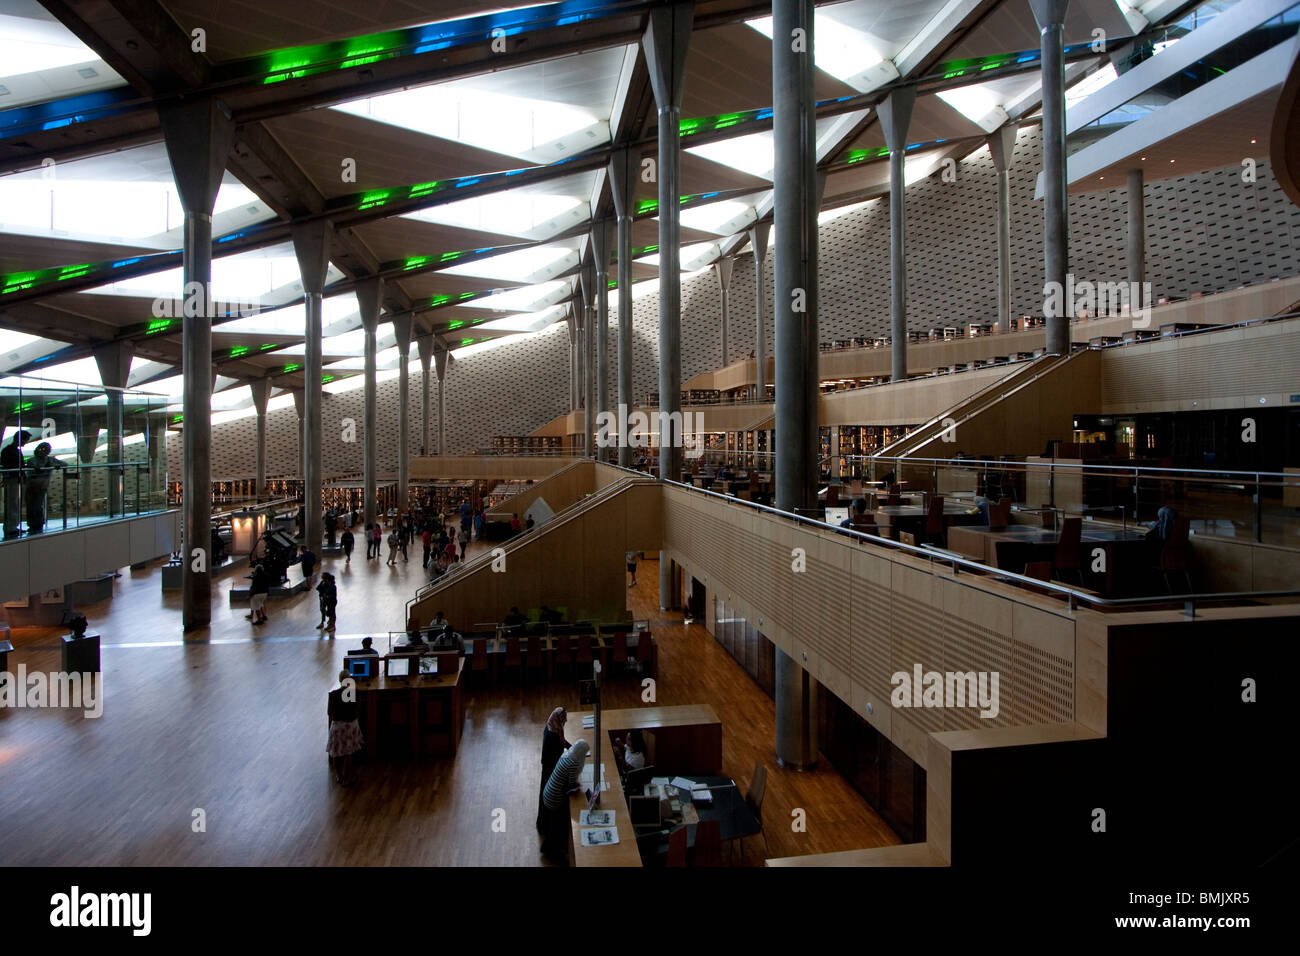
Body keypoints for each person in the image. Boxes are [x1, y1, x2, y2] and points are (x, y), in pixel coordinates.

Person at [541, 738, 590, 864]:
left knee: (553, 824)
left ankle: (547, 847)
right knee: (558, 825)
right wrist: (580, 788)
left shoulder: (566, 755)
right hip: (555, 798)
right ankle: (554, 854)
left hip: (548, 792)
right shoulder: (574, 763)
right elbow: (572, 782)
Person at [327, 669, 363, 785]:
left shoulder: (333, 695)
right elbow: (357, 712)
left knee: (336, 752)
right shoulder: (355, 694)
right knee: (348, 753)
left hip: (337, 727)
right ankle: (347, 778)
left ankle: (339, 776)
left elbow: (329, 712)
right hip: (350, 726)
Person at [536, 707, 570, 832]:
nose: (564, 721)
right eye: (563, 719)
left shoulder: (552, 728)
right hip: (551, 769)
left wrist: (571, 748)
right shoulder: (552, 735)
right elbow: (556, 752)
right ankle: (546, 825)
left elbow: (562, 742)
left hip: (550, 767)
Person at [23, 442, 64, 534]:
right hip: (34, 485)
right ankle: (35, 523)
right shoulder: (34, 460)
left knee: (35, 505)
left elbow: (65, 464)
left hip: (38, 485)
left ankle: (37, 523)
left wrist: (56, 465)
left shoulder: (46, 460)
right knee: (33, 505)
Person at [2, 430, 30, 539]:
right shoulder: (10, 451)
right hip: (13, 479)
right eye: (25, 440)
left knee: (14, 503)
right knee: (12, 503)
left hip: (15, 479)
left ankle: (12, 526)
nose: (25, 443)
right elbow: (12, 466)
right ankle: (11, 527)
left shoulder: (11, 451)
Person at [247, 561, 270, 626]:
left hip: (257, 594)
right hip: (265, 593)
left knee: (256, 607)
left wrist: (249, 595)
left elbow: (253, 587)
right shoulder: (266, 575)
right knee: (261, 604)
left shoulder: (255, 577)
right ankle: (264, 616)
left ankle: (259, 620)